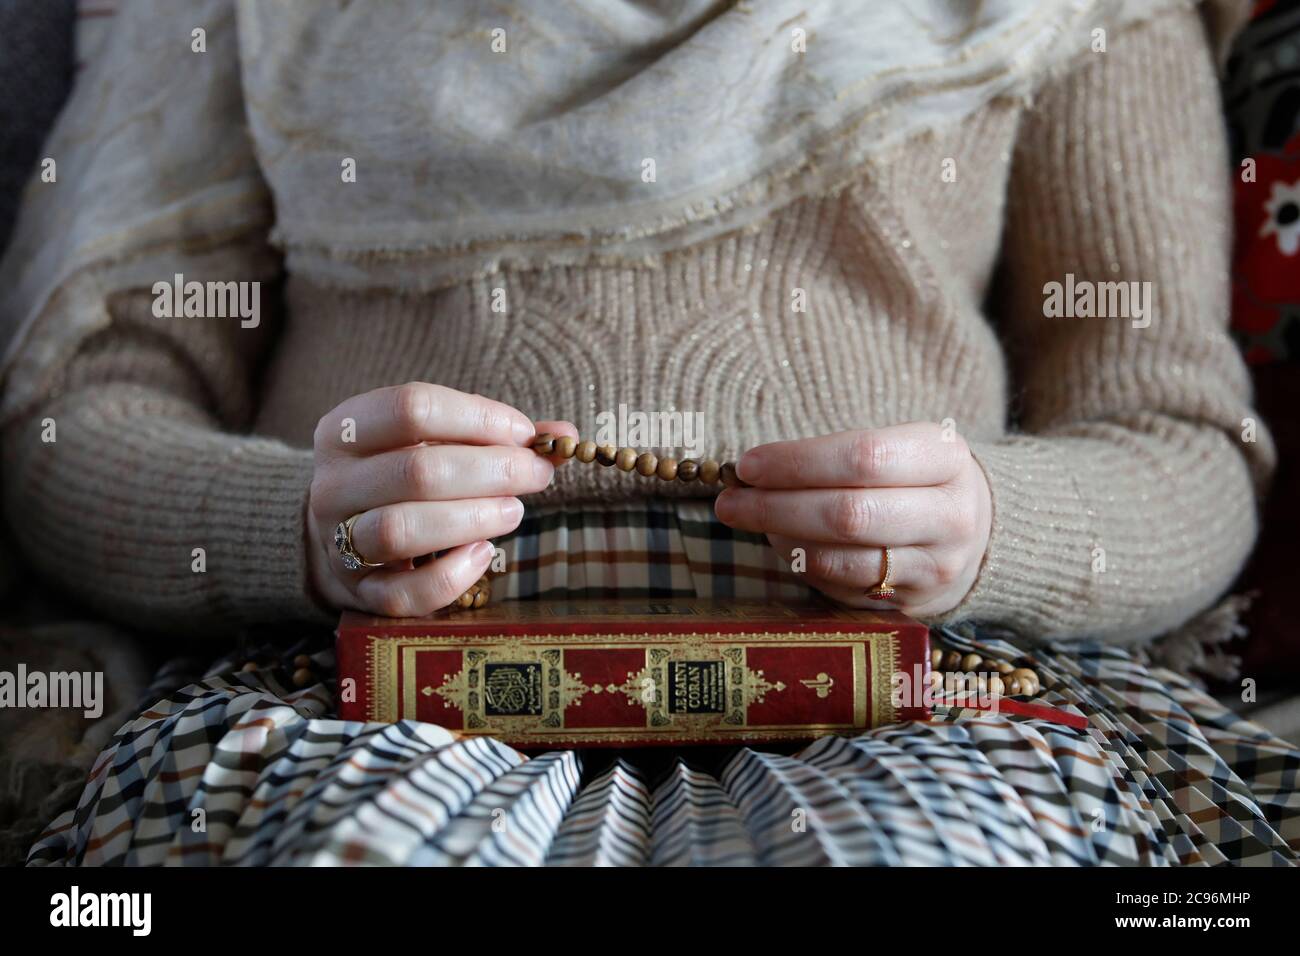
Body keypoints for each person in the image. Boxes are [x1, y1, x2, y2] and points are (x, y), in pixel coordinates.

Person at [4, 0, 1296, 866]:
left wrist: (995, 530)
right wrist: (286, 527)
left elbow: (1175, 440)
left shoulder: (1082, 16)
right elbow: (74, 436)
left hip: (918, 694)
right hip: (352, 689)